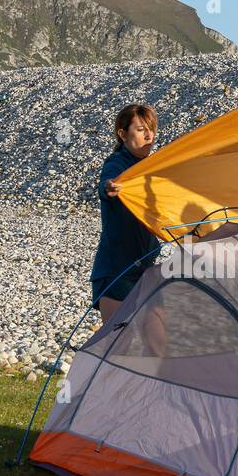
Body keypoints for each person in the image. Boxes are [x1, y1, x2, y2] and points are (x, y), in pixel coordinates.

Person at [91, 104, 160, 325]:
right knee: (115, 342)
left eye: (151, 129)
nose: (149, 135)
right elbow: (106, 184)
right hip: (117, 271)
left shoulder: (155, 165)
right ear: (123, 134)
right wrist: (109, 188)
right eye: (141, 130)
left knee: (157, 339)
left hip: (145, 266)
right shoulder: (117, 163)